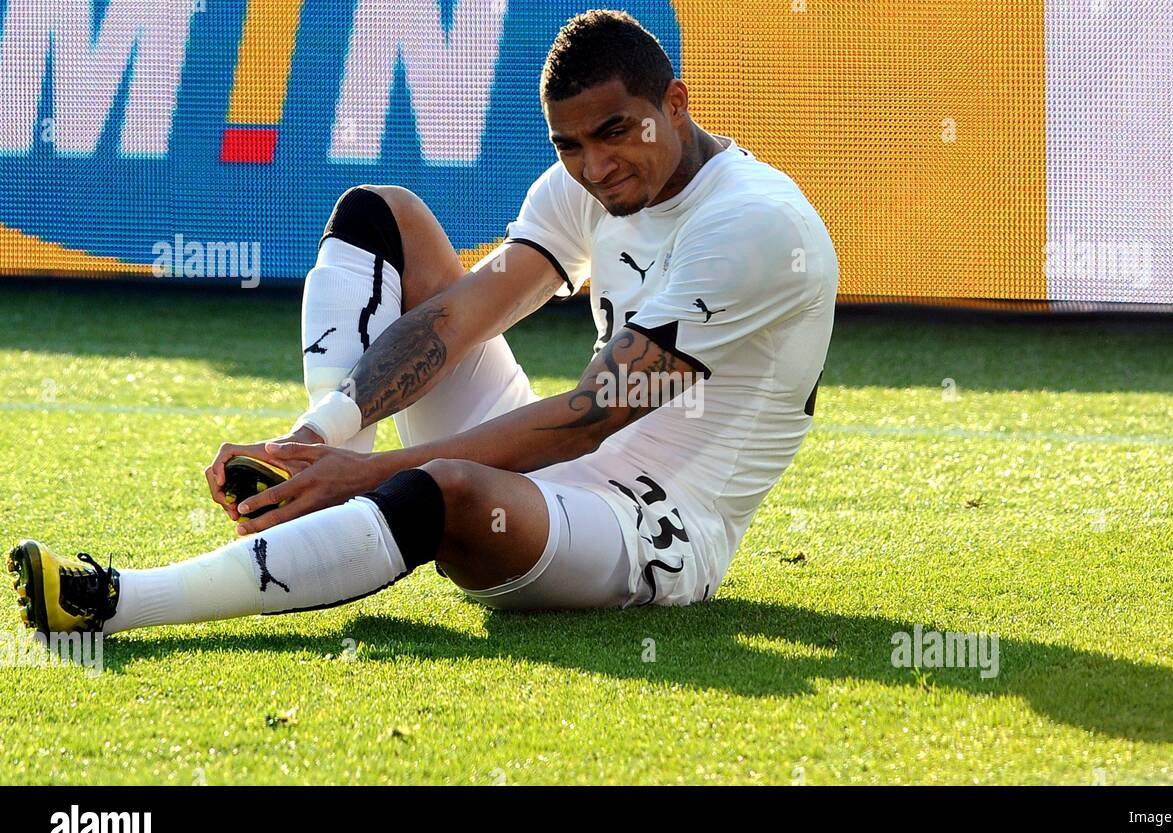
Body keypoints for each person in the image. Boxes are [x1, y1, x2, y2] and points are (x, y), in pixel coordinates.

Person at [9, 9, 837, 635]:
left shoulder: (752, 225)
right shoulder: (591, 184)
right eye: (570, 147)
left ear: (676, 104)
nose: (596, 167)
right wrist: (324, 437)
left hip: (651, 526)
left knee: (445, 489)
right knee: (384, 215)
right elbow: (458, 313)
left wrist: (370, 476)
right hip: (559, 473)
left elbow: (593, 416)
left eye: (615, 132)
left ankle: (119, 601)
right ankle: (327, 459)